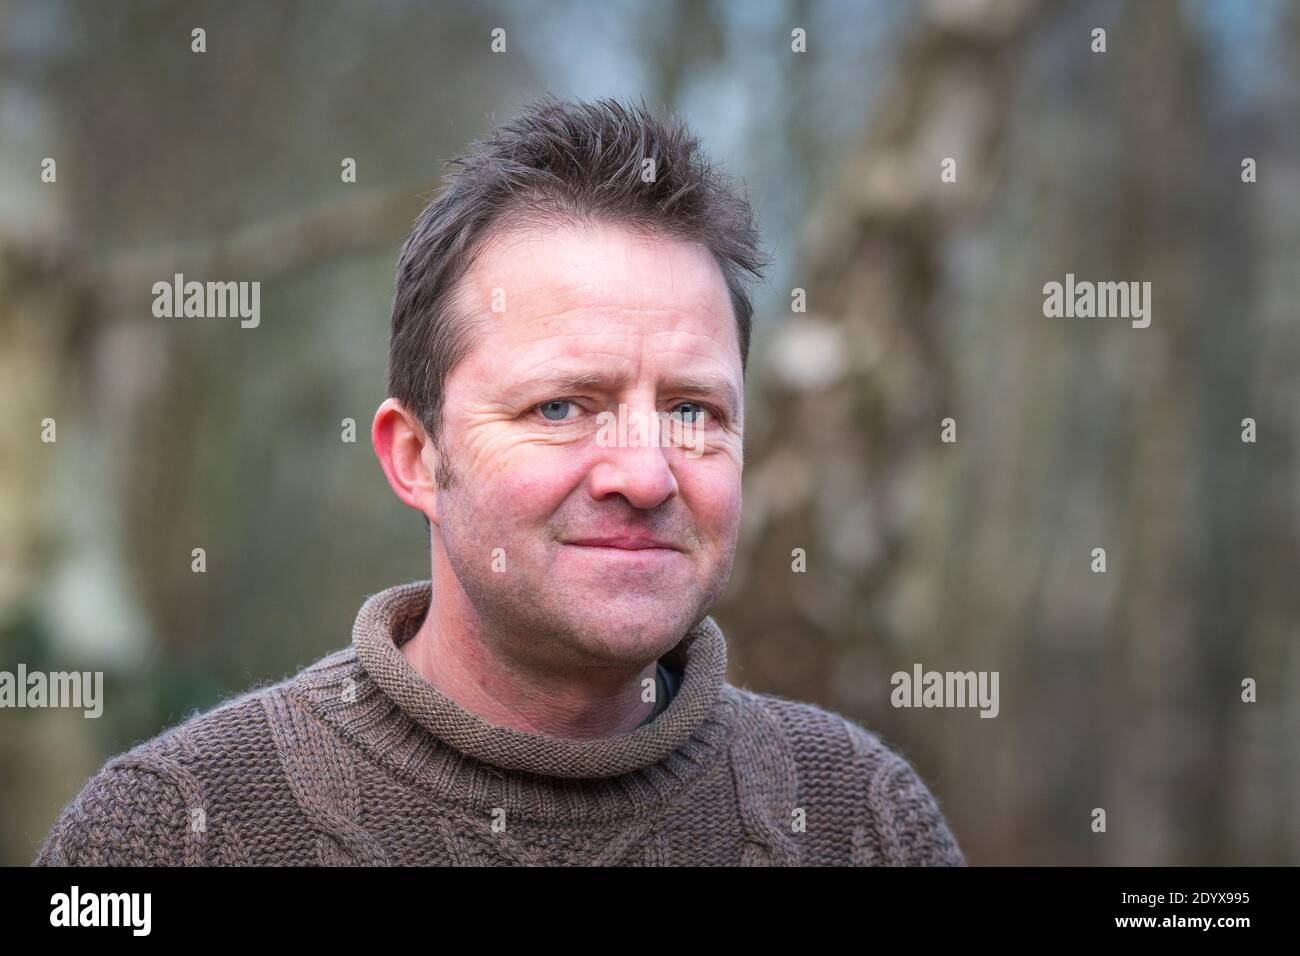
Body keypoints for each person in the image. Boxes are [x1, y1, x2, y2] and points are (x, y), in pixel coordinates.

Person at [35, 95, 964, 866]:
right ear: (415, 457)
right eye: (561, 407)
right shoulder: (171, 834)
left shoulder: (863, 825)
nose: (645, 474)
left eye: (694, 412)